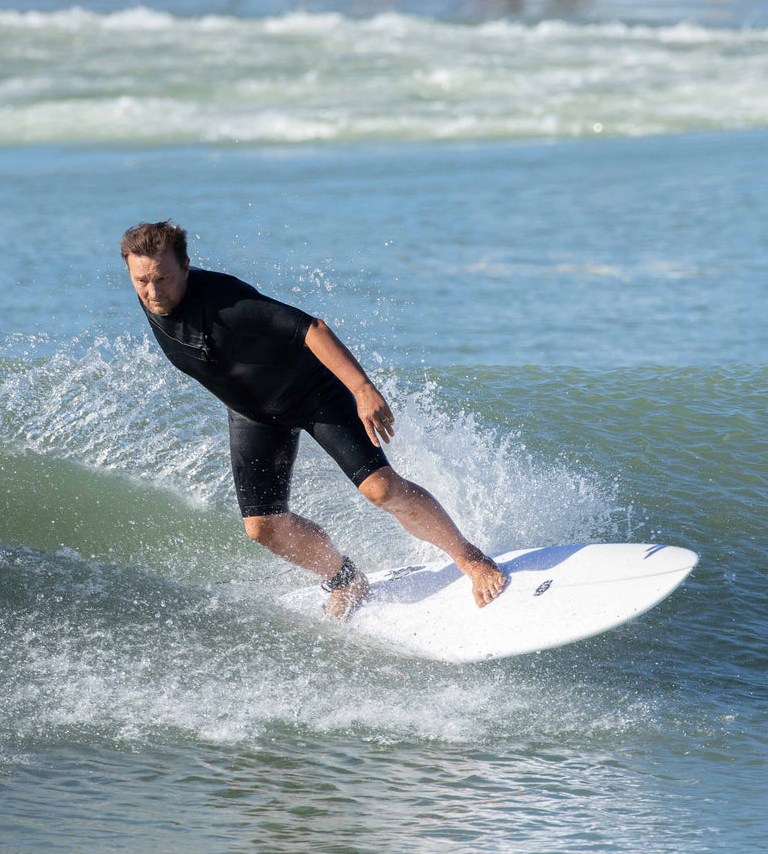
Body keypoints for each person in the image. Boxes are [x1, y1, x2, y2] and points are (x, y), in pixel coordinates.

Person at [121, 221, 508, 620]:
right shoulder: (152, 291)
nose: (153, 292)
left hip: (312, 393)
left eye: (163, 278)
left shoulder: (226, 301)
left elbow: (312, 328)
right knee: (263, 528)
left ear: (186, 267)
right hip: (253, 413)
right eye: (141, 281)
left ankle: (469, 557)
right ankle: (346, 579)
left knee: (381, 489)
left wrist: (362, 389)